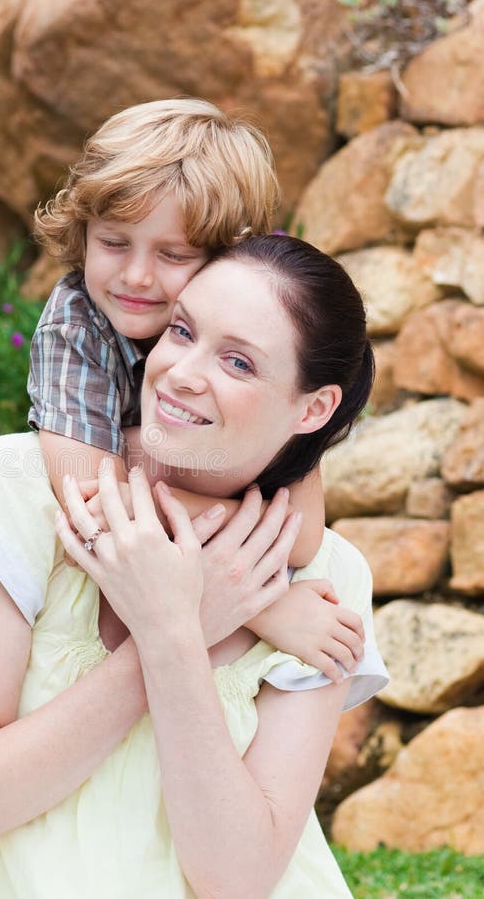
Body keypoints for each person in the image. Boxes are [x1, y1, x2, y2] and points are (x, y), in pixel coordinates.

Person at [0, 235, 389, 898]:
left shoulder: (326, 578)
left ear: (314, 408)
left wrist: (172, 635)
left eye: (239, 362)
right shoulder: (13, 488)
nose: (182, 372)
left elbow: (237, 877)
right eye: (181, 330)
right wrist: (180, 624)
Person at [28, 97, 362, 679]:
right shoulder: (76, 322)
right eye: (113, 242)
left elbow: (302, 537)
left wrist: (139, 459)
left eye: (173, 254)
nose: (136, 276)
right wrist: (270, 607)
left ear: (226, 254)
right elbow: (89, 497)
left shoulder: (262, 329)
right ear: (83, 233)